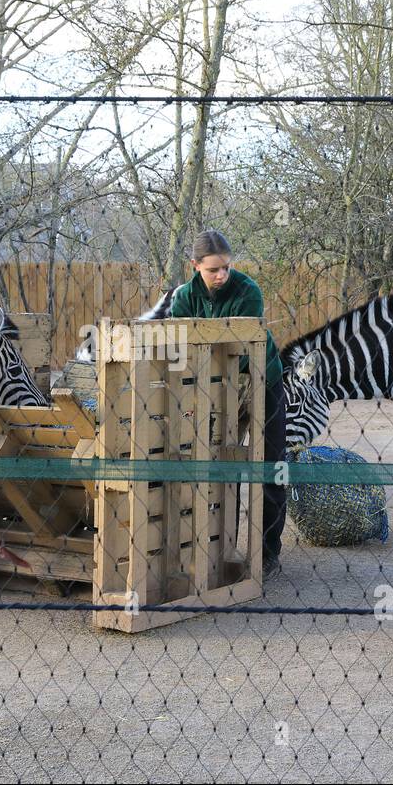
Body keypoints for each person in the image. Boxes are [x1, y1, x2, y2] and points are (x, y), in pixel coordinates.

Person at [168, 230, 287, 579]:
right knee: (221, 463)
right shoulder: (183, 298)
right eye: (214, 270)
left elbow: (235, 346)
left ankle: (267, 554)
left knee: (270, 467)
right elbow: (182, 353)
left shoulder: (248, 291)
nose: (222, 275)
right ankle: (223, 550)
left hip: (259, 378)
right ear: (195, 266)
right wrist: (189, 396)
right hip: (212, 384)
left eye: (227, 267)